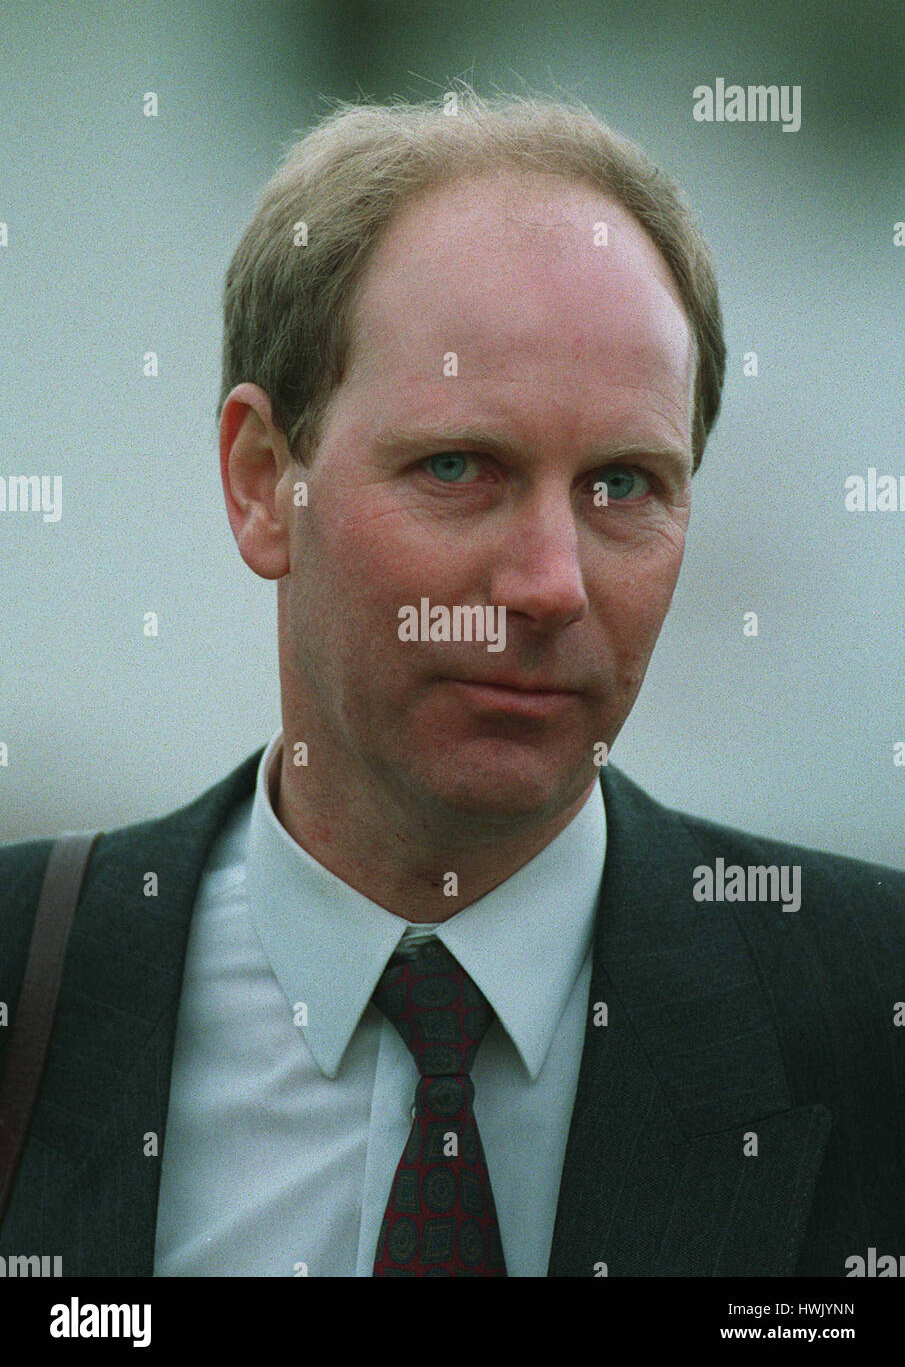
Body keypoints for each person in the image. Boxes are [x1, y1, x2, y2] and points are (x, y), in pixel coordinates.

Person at [1, 91, 903, 1279]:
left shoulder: (867, 1022)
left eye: (622, 485)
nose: (548, 585)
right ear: (264, 481)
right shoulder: (33, 980)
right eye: (457, 466)